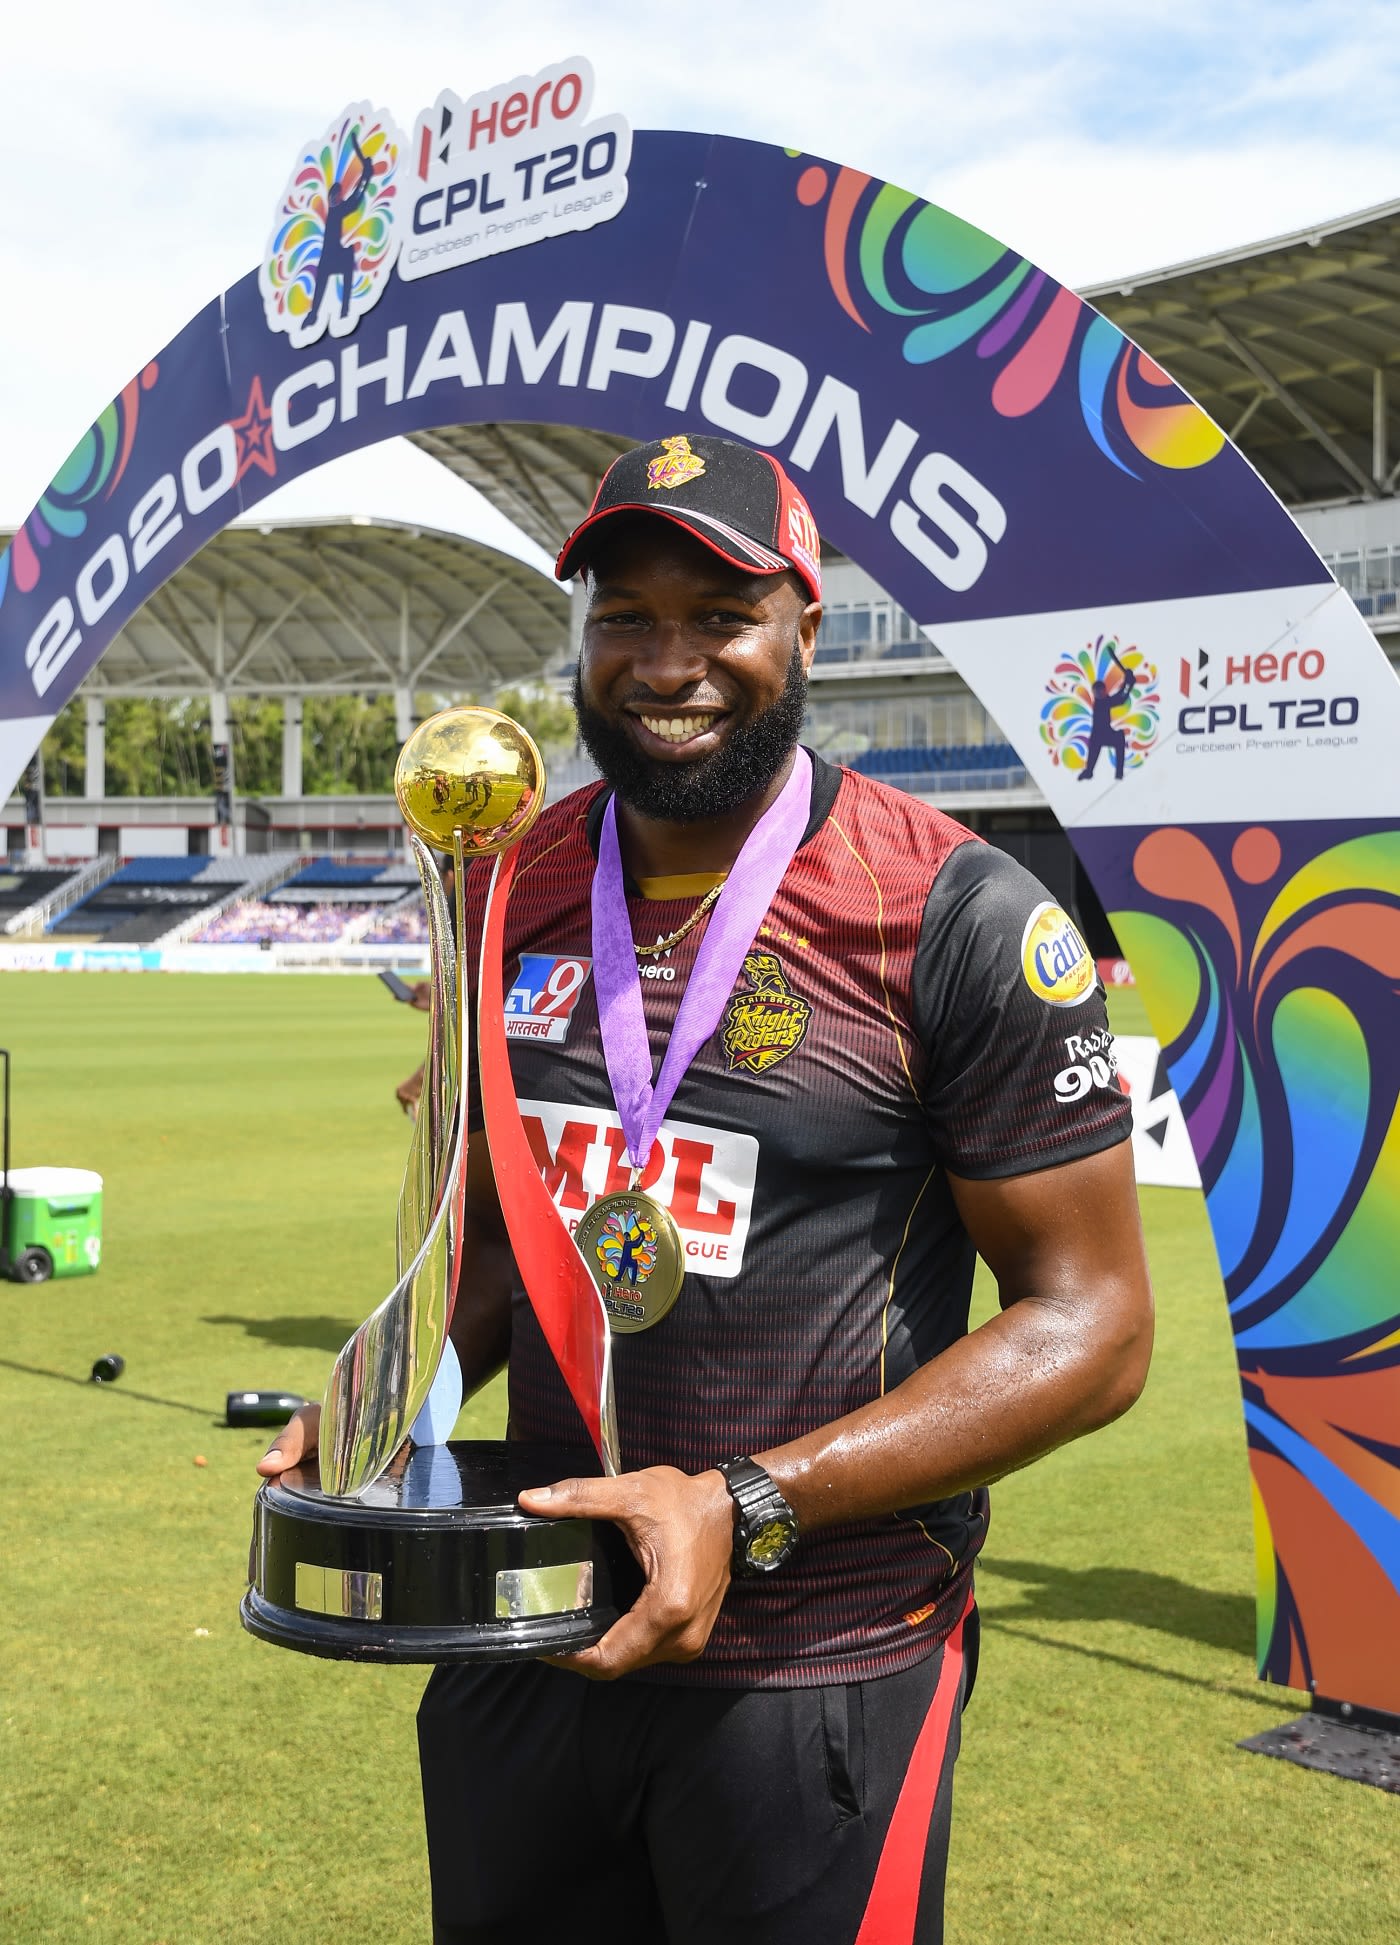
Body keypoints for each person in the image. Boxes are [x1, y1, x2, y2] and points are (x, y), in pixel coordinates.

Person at [260, 435, 1154, 1944]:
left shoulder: (953, 912)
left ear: (804, 621)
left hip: (815, 1667)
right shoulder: (511, 884)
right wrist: (389, 1383)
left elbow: (1097, 1326)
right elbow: (495, 1231)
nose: (667, 661)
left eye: (719, 613)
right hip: (524, 1625)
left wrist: (748, 1503)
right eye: (625, 615)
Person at [1079, 643, 1139, 782]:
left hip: (1105, 733)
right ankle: (1089, 771)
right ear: (1095, 693)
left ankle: (1118, 772)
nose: (1100, 693)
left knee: (1119, 738)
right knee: (1097, 748)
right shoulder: (1100, 703)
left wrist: (1128, 684)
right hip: (1098, 735)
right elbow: (1120, 699)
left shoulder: (1104, 700)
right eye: (1097, 692)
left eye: (1101, 691)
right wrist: (1128, 684)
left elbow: (1119, 698)